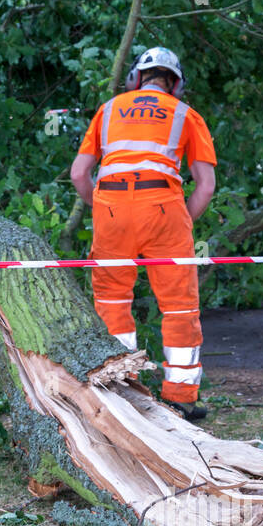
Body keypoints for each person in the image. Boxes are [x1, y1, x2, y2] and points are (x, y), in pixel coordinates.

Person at [70, 47, 217, 421]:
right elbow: (205, 185)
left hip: (111, 208)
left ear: (136, 78)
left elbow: (78, 174)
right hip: (164, 208)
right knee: (180, 306)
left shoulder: (109, 109)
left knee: (112, 300)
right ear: (176, 84)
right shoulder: (185, 114)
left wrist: (103, 208)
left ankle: (121, 391)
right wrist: (179, 218)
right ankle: (180, 398)